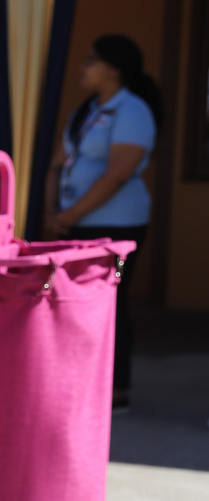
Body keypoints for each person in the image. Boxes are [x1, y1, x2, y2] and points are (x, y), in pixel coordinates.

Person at [44, 33, 162, 411]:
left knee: (111, 300)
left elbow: (118, 172)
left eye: (92, 60)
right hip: (76, 223)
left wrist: (71, 215)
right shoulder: (88, 109)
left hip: (116, 224)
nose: (84, 67)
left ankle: (115, 391)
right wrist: (54, 213)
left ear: (114, 68)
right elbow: (58, 162)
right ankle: (79, 382)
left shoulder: (133, 110)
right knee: (74, 301)